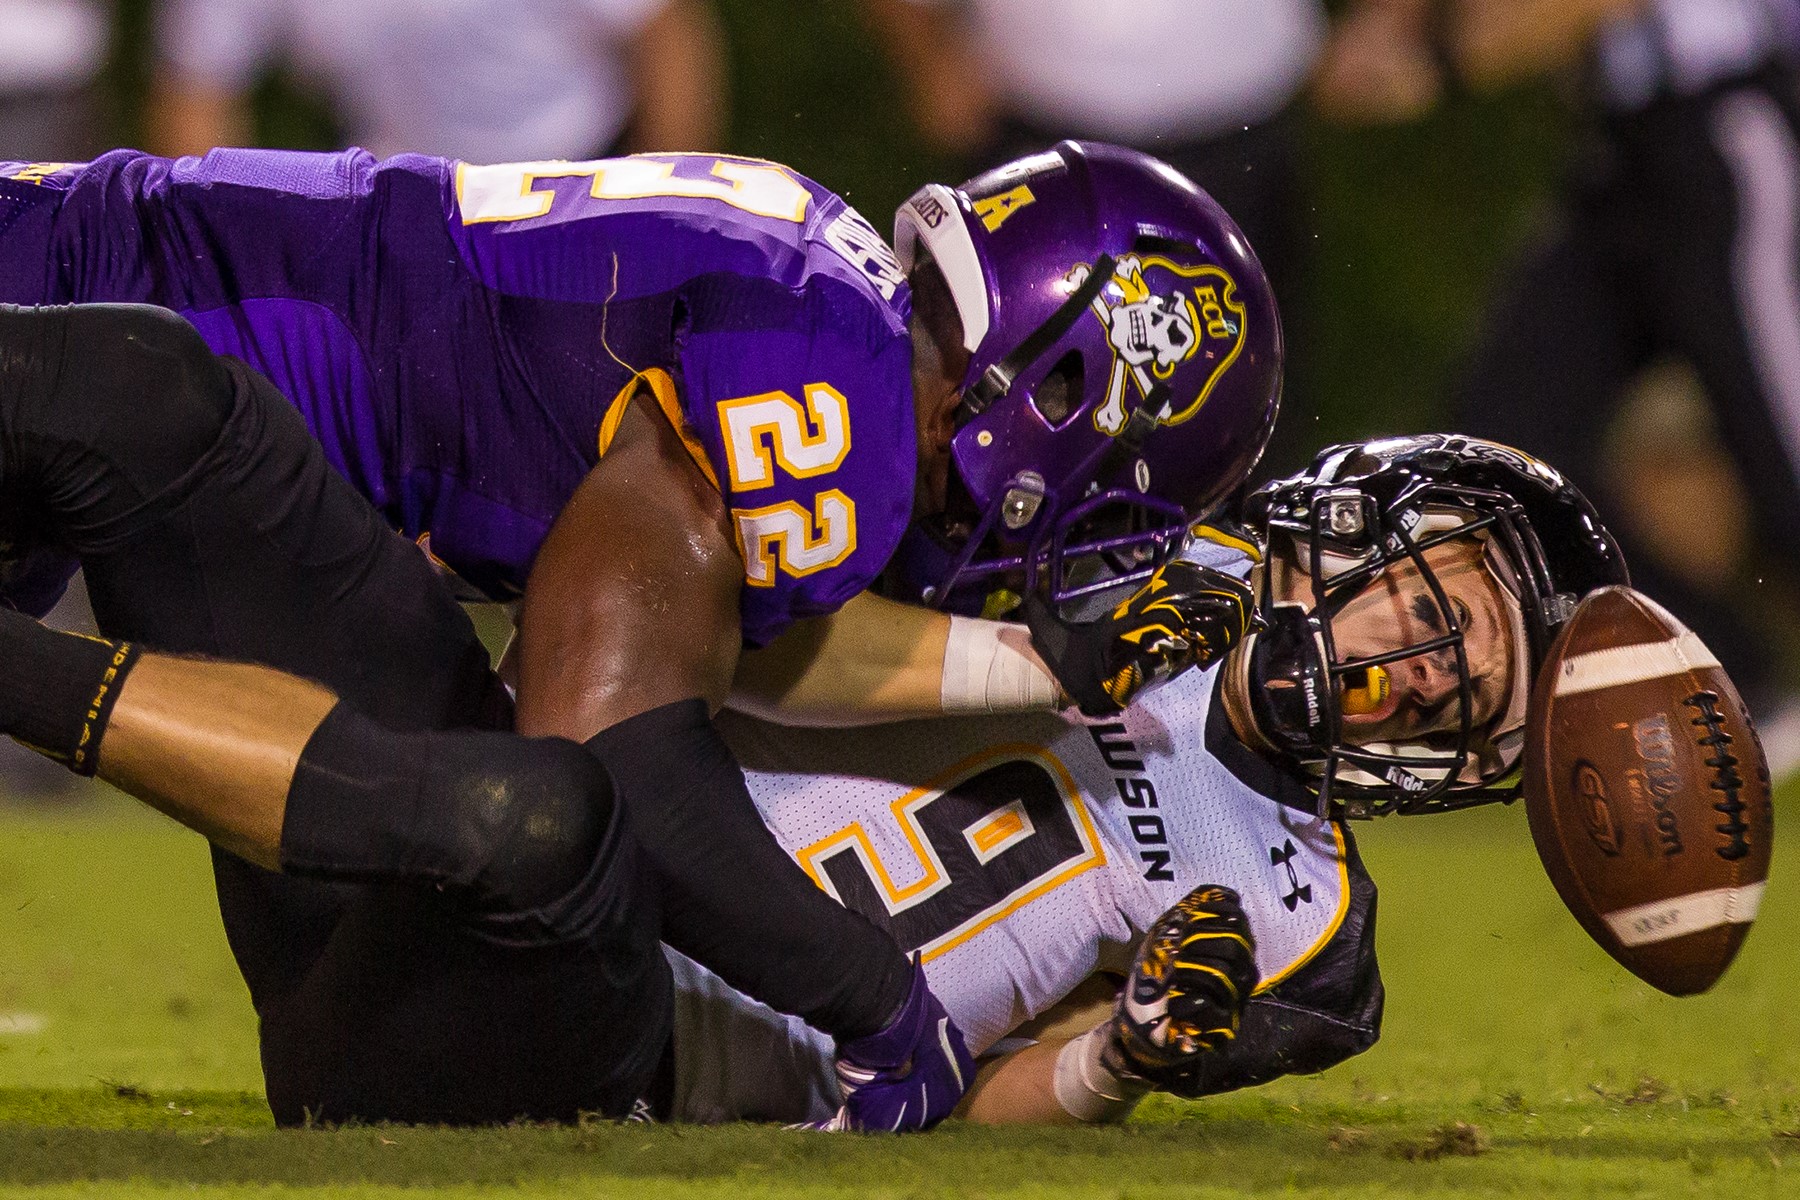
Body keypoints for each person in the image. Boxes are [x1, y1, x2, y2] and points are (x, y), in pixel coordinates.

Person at [0, 141, 1280, 1124]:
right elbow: (606, 717)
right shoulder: (843, 411)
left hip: (142, 340)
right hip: (105, 334)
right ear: (1053, 388)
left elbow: (710, 622)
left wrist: (1037, 664)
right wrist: (875, 995)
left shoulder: (830, 308)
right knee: (530, 804)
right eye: (1120, 474)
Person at [0, 432, 1629, 1125]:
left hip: (580, 1010)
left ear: (1463, 757)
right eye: (1431, 610)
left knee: (558, 826)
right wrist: (1042, 639)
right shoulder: (1112, 514)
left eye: (1457, 684)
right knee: (165, 411)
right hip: (435, 821)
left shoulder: (1307, 935)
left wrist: (1120, 1063)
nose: (1414, 665)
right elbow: (736, 621)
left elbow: (984, 1105)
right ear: (1361, 531)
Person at [1313, 0, 1800, 766]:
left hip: (1727, 130)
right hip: (1622, 156)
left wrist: (1441, 61)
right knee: (1507, 449)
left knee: (1784, 457)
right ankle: (1729, 670)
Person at [147, 0, 727, 162]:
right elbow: (194, 91)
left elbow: (666, 38)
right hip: (399, 196)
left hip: (575, 174)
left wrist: (659, 209)